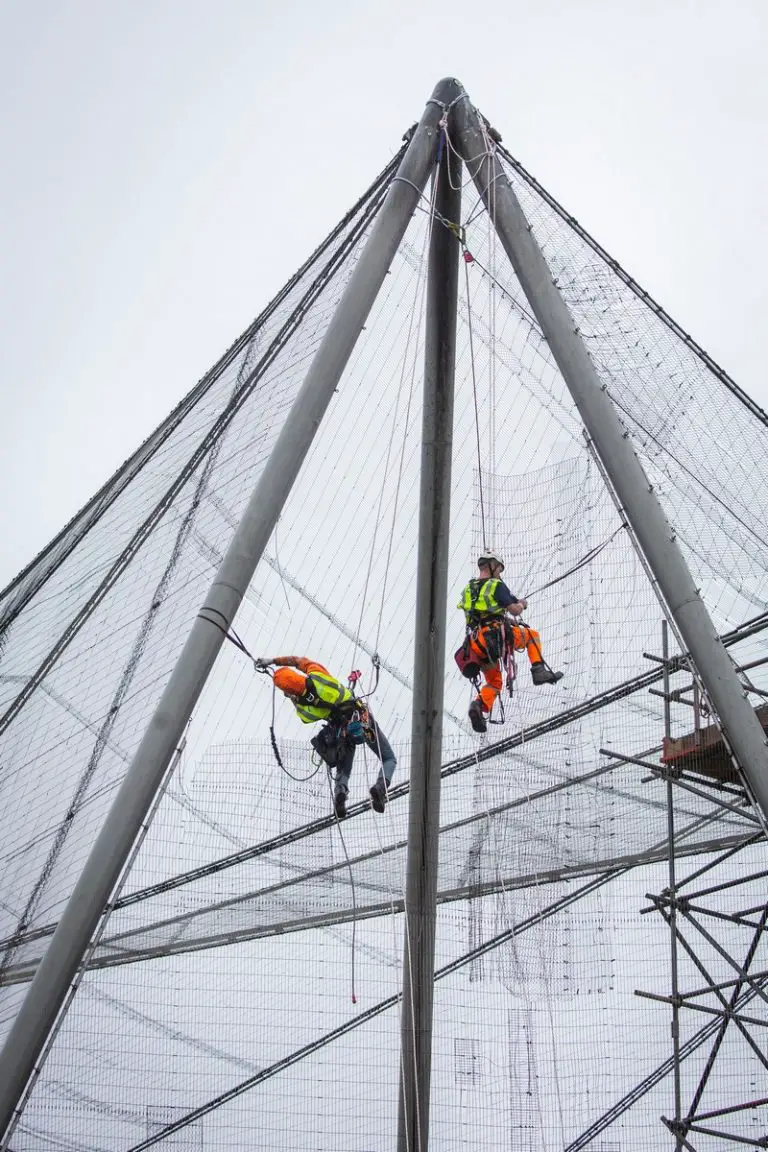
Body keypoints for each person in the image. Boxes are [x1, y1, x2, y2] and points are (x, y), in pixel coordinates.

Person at [255, 655, 396, 818]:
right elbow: (297, 660)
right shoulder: (318, 674)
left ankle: (340, 796)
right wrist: (272, 662)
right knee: (388, 758)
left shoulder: (303, 711)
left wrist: (293, 696)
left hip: (341, 732)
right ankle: (380, 788)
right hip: (360, 720)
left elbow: (304, 716)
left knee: (343, 770)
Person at [458, 552, 563, 733]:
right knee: (531, 635)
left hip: (477, 645)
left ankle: (478, 706)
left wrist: (507, 620)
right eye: (499, 568)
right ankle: (539, 672)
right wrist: (521, 604)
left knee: (494, 683)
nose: (500, 572)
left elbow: (482, 614)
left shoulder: (469, 588)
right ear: (492, 565)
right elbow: (514, 610)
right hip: (495, 636)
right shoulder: (496, 585)